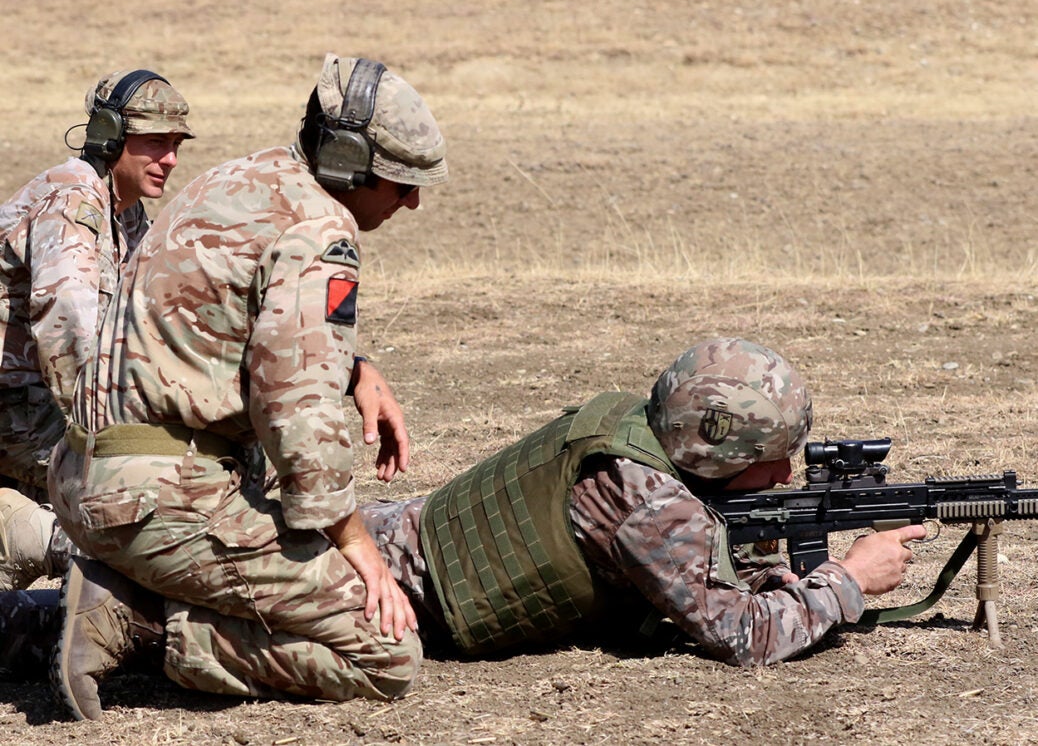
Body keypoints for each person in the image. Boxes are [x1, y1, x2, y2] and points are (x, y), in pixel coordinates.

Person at [4, 339, 920, 686]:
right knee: (199, 621)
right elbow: (743, 637)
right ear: (717, 450)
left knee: (177, 586)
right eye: (771, 460)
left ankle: (47, 591)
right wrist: (847, 581)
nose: (784, 472)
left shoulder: (628, 431)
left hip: (405, 541)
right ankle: (95, 605)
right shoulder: (654, 504)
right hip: (395, 588)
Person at [45, 53, 448, 721]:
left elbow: (226, 320)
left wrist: (358, 368)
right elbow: (298, 413)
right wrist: (356, 547)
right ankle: (142, 622)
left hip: (88, 474)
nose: (411, 201)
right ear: (348, 162)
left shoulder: (241, 179)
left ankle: (127, 587)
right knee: (387, 652)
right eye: (400, 183)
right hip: (156, 501)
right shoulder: (320, 231)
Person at [0, 68, 194, 591]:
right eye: (155, 143)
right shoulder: (73, 198)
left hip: (32, 402)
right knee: (138, 483)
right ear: (110, 138)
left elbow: (148, 321)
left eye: (175, 144)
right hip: (13, 409)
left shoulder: (127, 216)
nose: (170, 159)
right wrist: (110, 438)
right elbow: (67, 324)